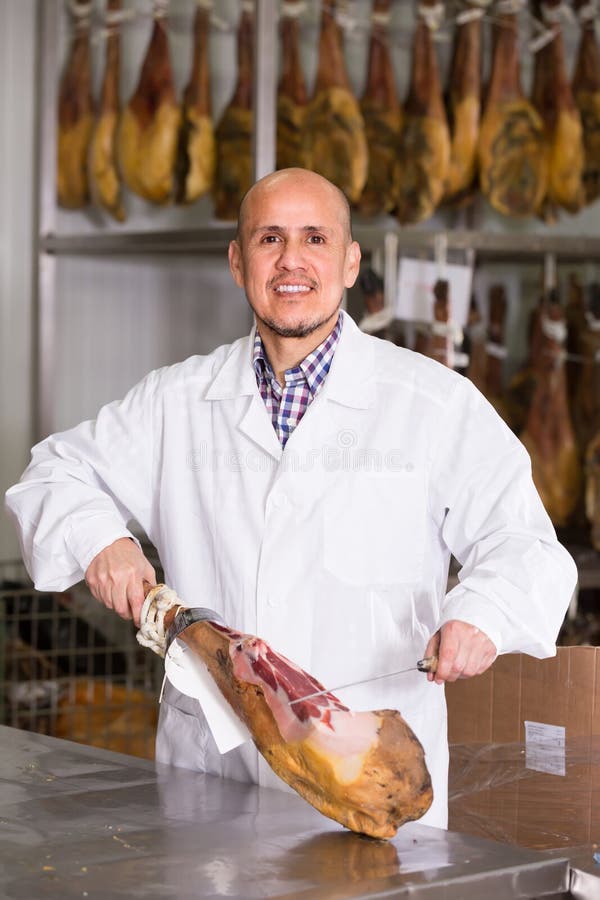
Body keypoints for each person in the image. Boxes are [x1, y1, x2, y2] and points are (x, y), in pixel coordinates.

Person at [5, 168, 576, 829]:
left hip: (369, 770)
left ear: (350, 260)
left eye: (315, 238)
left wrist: (483, 613)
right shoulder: (176, 400)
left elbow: (525, 543)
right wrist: (102, 540)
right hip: (212, 778)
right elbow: (52, 475)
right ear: (238, 260)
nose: (291, 261)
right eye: (269, 238)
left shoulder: (433, 404)